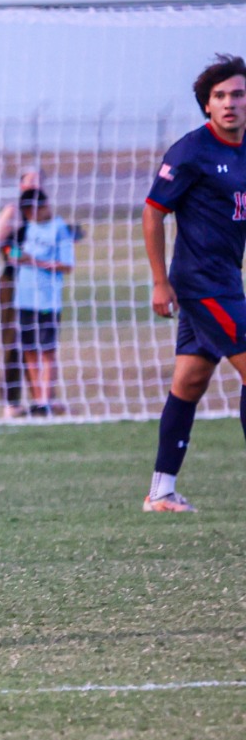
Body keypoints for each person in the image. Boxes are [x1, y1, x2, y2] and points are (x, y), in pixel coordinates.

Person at [140, 53, 246, 513]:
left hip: (227, 280)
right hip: (201, 285)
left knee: (189, 382)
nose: (229, 103)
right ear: (206, 105)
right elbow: (153, 212)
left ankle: (161, 492)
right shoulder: (190, 152)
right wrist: (160, 282)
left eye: (238, 94)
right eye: (219, 96)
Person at [0, 170, 43, 419]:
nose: (33, 185)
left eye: (38, 181)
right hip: (13, 282)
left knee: (37, 340)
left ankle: (42, 399)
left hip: (37, 284)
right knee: (13, 340)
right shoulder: (13, 213)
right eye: (29, 181)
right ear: (20, 186)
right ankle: (12, 401)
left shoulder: (44, 216)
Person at [12, 188, 76, 417]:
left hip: (48, 298)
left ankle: (46, 400)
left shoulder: (59, 229)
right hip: (25, 297)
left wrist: (36, 262)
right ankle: (39, 401)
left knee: (47, 350)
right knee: (29, 349)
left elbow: (67, 265)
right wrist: (15, 256)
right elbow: (12, 252)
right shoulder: (25, 228)